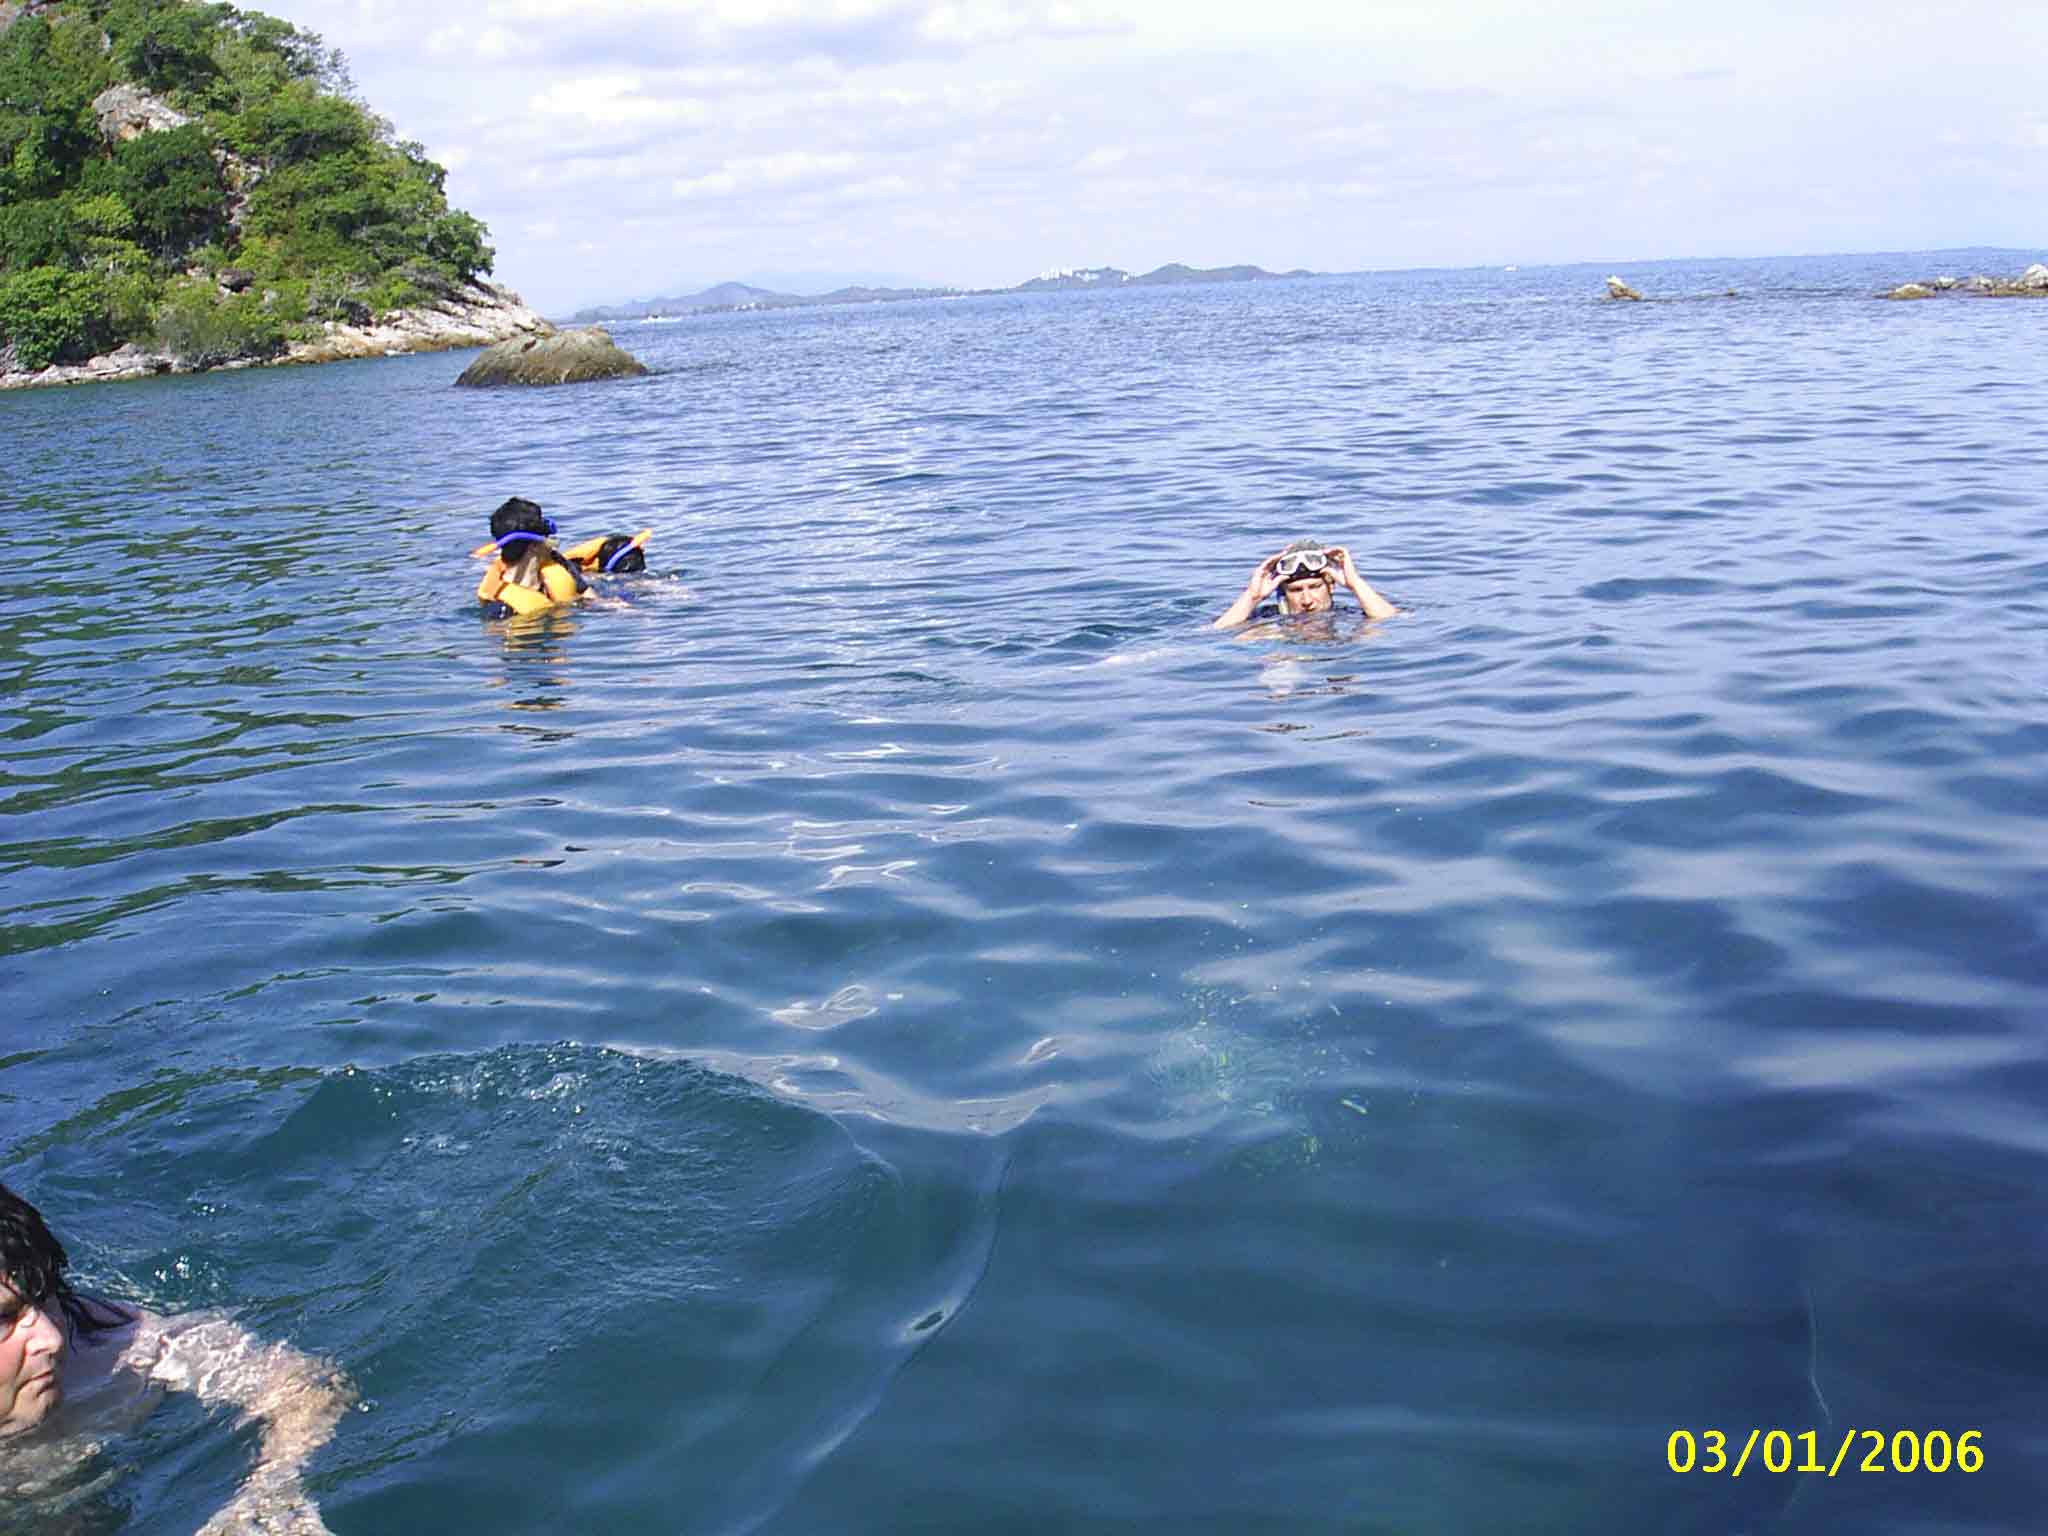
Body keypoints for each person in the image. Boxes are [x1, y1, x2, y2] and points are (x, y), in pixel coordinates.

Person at [1, 1182, 351, 1535]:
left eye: (44, 1296)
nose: (51, 1338)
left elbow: (304, 1384)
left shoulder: (113, 1353)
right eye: (4, 1319)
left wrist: (270, 1490)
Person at [1213, 537, 1399, 629]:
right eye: (1295, 590)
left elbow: (1393, 623)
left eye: (1315, 587)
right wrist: (1252, 597)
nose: (1307, 600)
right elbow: (1215, 634)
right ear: (1283, 593)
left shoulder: (1348, 615)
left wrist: (1355, 584)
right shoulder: (1266, 618)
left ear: (1331, 585)